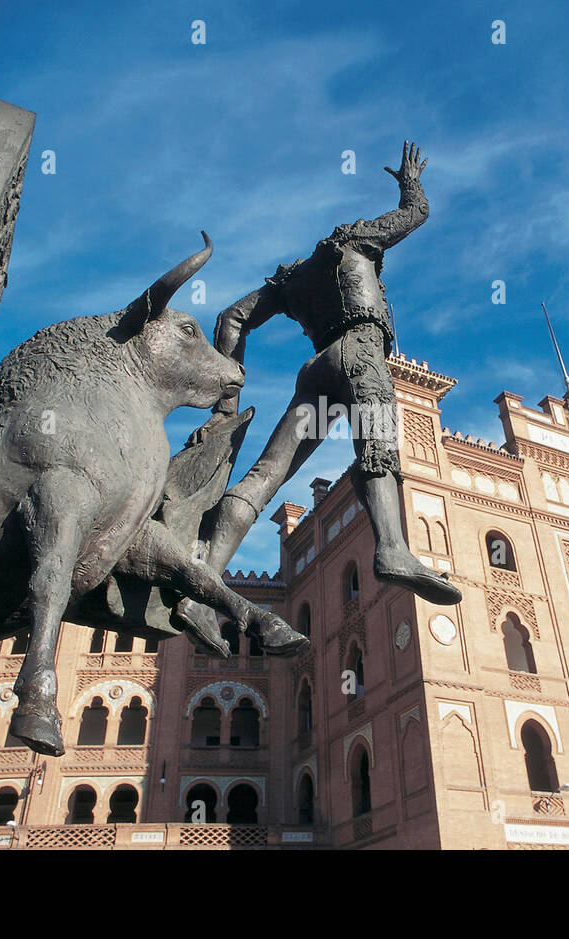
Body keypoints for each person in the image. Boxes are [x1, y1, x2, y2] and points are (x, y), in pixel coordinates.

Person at [177, 142, 462, 649]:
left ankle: (201, 586)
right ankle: (392, 547)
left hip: (317, 373)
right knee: (377, 445)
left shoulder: (292, 282)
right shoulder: (357, 242)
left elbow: (230, 319)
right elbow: (415, 213)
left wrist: (228, 405)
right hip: (360, 354)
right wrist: (410, 181)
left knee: (266, 476)